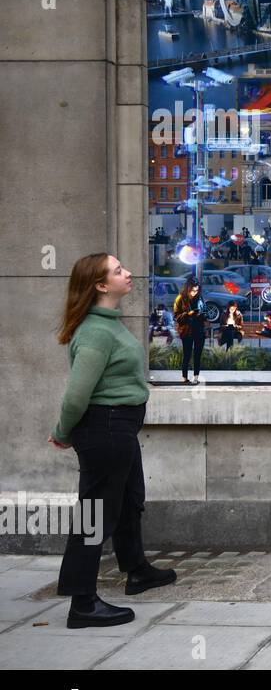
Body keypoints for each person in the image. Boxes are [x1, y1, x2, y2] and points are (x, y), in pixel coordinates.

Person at [49, 253, 177, 629]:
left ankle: (137, 570)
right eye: (119, 270)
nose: (128, 273)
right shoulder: (95, 332)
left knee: (130, 501)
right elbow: (76, 395)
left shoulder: (109, 324)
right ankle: (82, 603)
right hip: (104, 428)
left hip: (119, 429)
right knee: (95, 514)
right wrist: (62, 432)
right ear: (101, 285)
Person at [171, 276, 206, 384]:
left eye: (196, 290)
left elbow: (204, 310)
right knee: (187, 354)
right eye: (192, 290)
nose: (194, 293)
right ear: (187, 288)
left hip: (199, 329)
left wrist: (203, 315)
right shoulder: (180, 298)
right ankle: (184, 377)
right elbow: (176, 317)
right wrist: (188, 314)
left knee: (197, 355)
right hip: (186, 330)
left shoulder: (199, 298)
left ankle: (196, 377)